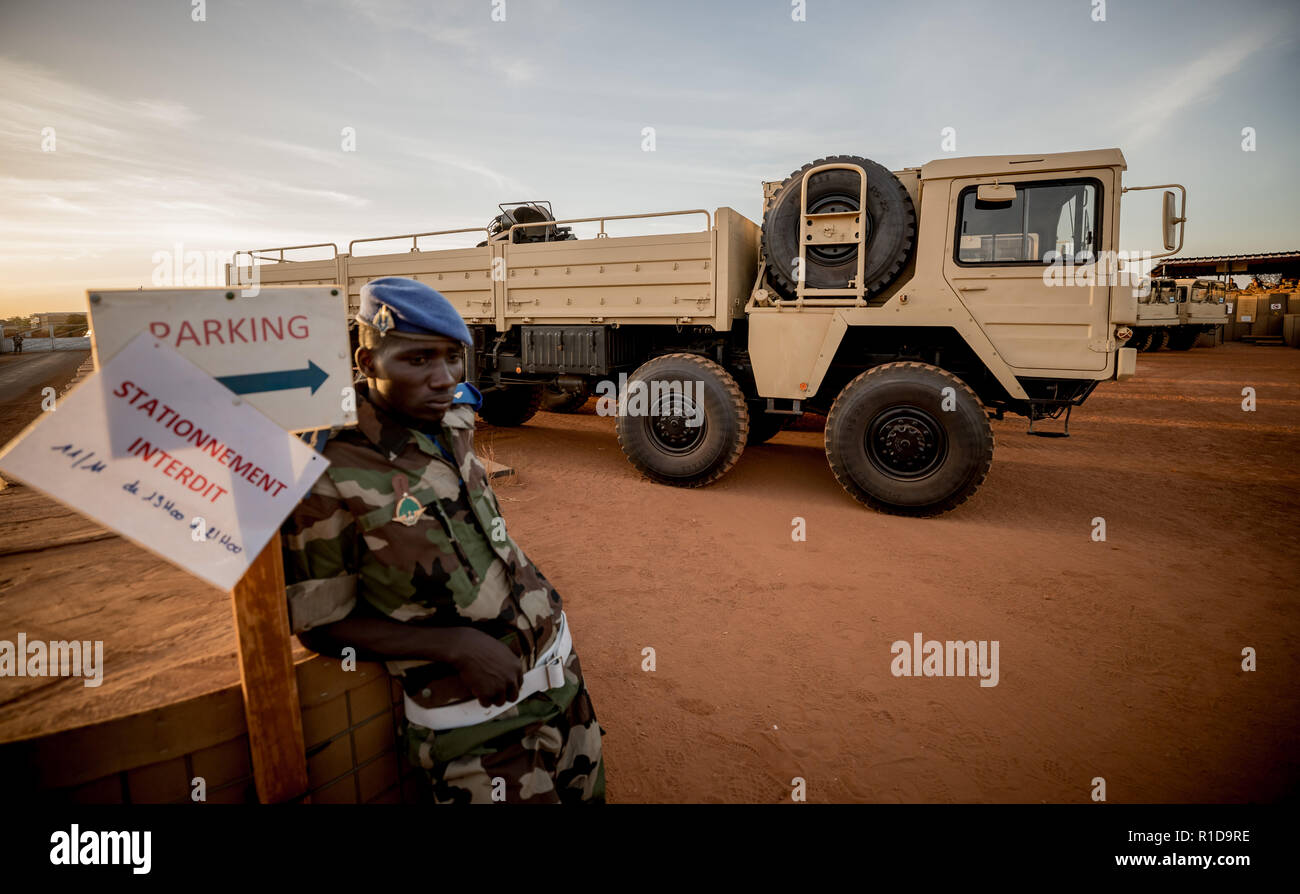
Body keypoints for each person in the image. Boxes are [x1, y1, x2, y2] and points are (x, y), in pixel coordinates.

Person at [281, 276, 605, 803]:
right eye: (418, 360)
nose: (443, 378)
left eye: (453, 358)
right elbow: (321, 624)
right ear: (367, 363)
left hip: (565, 690)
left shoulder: (454, 418)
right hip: (482, 733)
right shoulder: (324, 469)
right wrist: (453, 645)